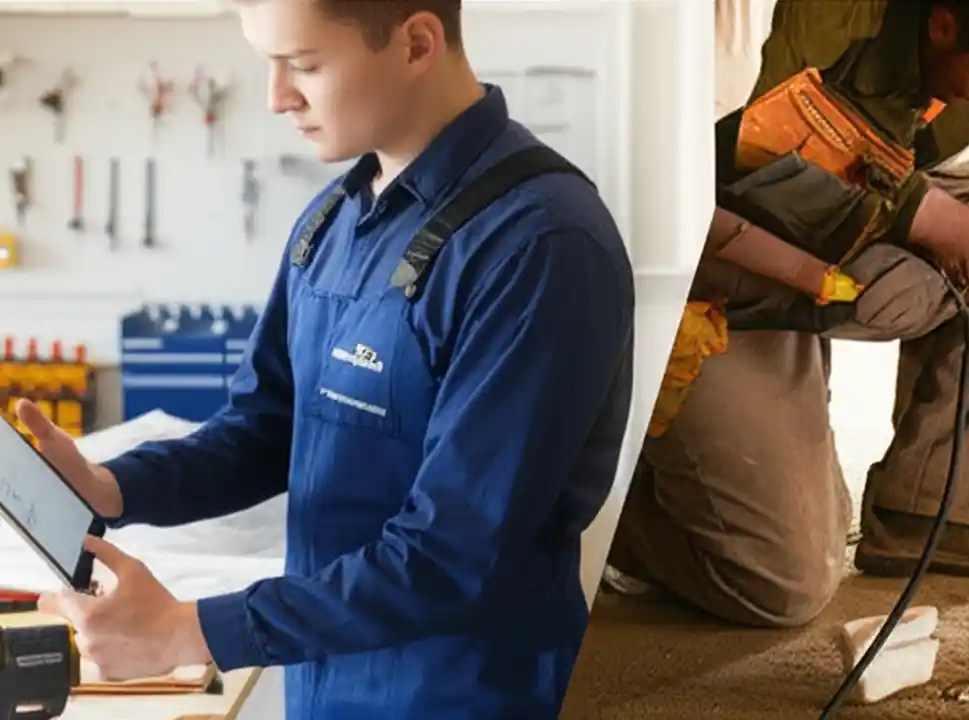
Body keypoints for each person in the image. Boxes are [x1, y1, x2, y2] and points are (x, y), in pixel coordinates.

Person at [19, 1, 635, 718]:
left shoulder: (539, 246)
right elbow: (263, 430)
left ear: (416, 44)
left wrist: (185, 632)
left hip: (457, 695)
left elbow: (450, 556)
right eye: (268, 64)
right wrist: (111, 488)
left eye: (304, 66)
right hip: (324, 685)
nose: (276, 97)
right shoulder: (331, 223)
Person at [606, 0, 969, 628]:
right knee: (788, 580)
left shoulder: (948, 62)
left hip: (804, 288)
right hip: (689, 292)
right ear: (945, 24)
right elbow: (698, 165)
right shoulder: (780, 25)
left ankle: (929, 518)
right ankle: (587, 503)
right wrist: (918, 213)